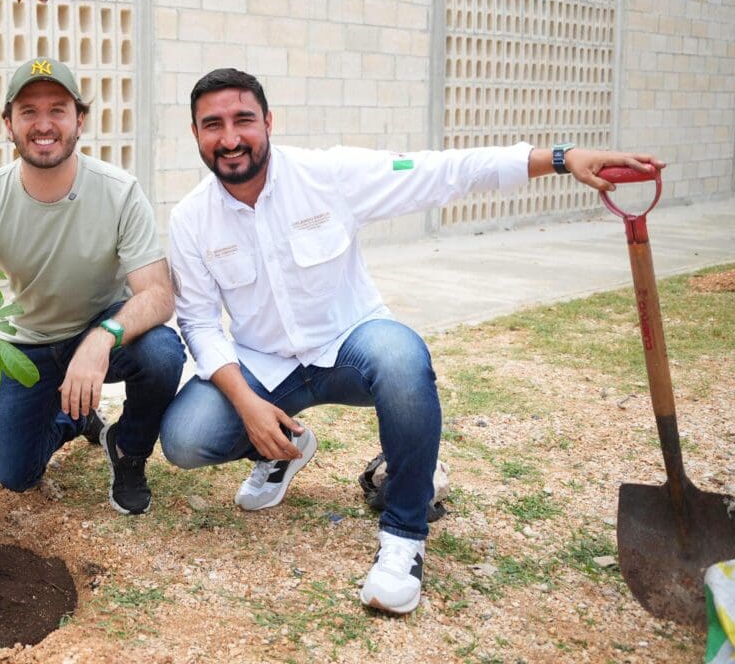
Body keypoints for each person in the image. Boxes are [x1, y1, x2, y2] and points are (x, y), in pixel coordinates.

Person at [159, 68, 663, 615]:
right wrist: (248, 405)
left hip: (350, 347)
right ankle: (279, 450)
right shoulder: (191, 219)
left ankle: (403, 536)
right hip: (266, 365)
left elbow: (441, 172)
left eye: (243, 120)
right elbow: (200, 324)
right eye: (213, 125)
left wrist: (560, 158)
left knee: (401, 357)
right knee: (186, 438)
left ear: (268, 122)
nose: (230, 138)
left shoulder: (328, 174)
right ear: (196, 133)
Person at [0, 58, 186, 515]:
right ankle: (74, 417)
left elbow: (158, 294)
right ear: (8, 125)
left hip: (100, 326)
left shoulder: (119, 190)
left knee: (162, 354)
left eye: (58, 110)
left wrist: (101, 340)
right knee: (8, 475)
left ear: (79, 120)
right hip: (27, 342)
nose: (44, 124)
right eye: (28, 111)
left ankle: (128, 450)